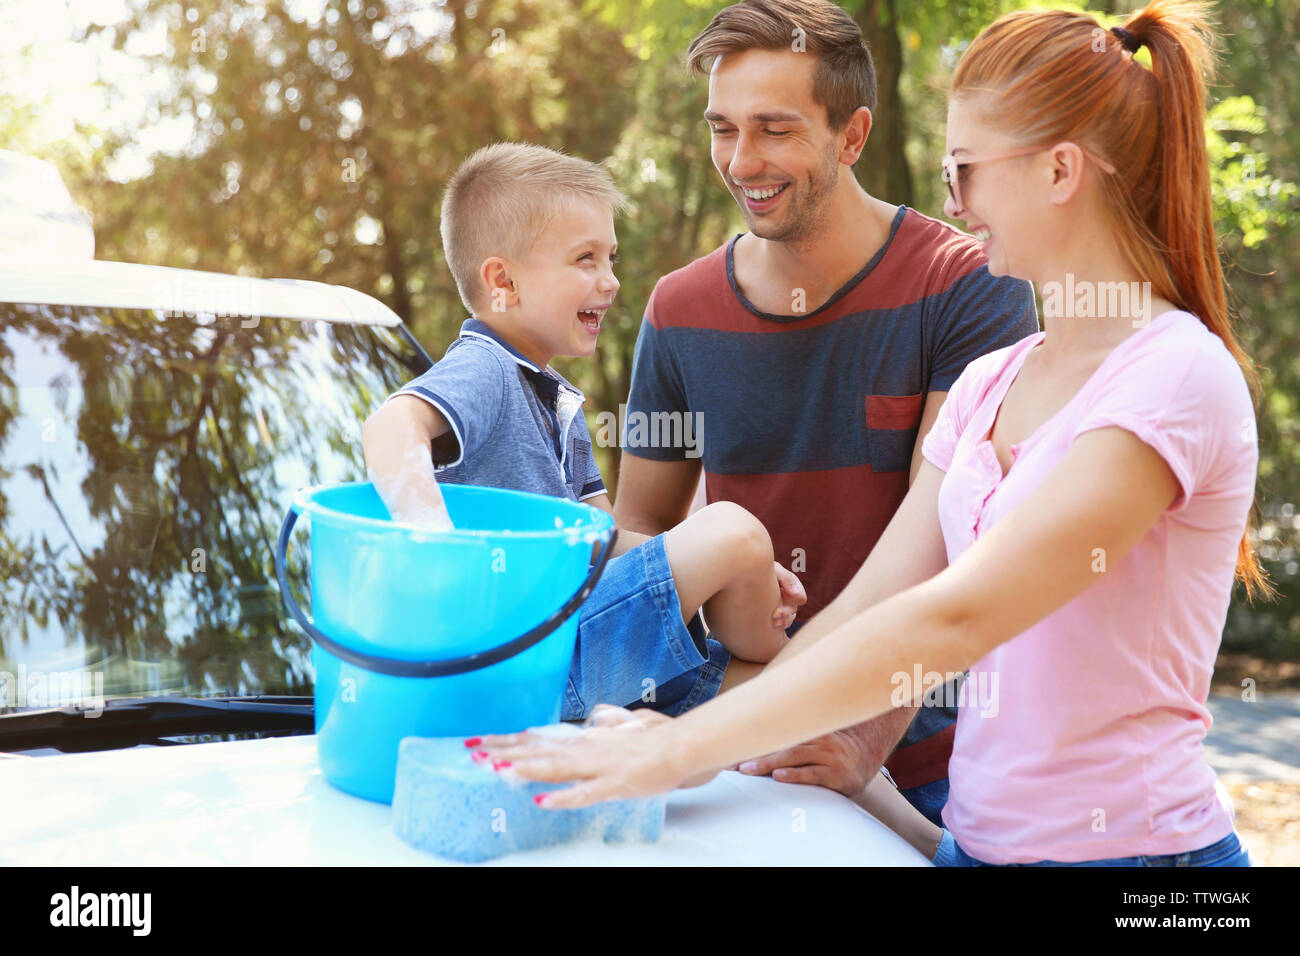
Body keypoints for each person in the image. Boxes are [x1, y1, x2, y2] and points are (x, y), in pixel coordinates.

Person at [475, 0, 1267, 867]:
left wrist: (673, 752)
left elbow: (955, 616)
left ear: (1059, 171)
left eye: (966, 169)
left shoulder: (1174, 377)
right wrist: (697, 737)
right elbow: (865, 608)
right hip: (978, 847)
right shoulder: (993, 385)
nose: (953, 200)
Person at [612, 0, 1038, 827]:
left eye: (774, 129)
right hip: (752, 757)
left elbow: (946, 555)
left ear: (852, 136)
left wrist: (849, 729)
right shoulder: (677, 311)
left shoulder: (966, 288)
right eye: (722, 128)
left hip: (936, 767)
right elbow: (643, 547)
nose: (741, 161)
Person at [361, 142, 802, 725]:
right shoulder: (487, 367)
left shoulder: (553, 396)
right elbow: (390, 425)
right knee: (735, 531)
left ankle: (928, 824)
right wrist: (435, 546)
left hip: (590, 651)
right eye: (585, 259)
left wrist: (735, 579)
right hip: (534, 661)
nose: (611, 281)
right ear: (504, 282)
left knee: (798, 701)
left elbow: (603, 541)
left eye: (611, 258)